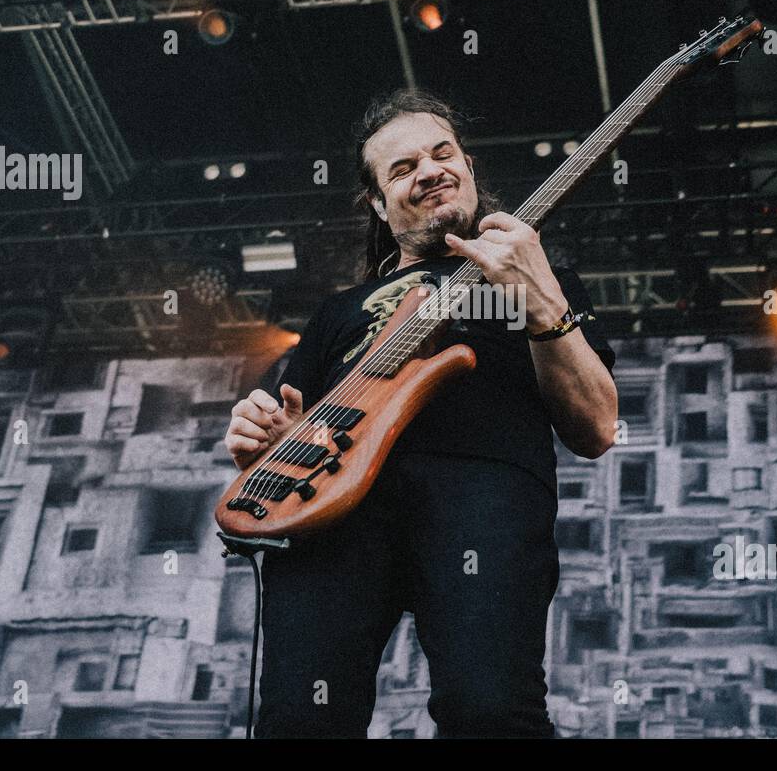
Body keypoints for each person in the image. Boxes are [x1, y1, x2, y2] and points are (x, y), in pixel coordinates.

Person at [225, 89, 618, 738]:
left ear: (468, 169)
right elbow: (294, 426)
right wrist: (265, 441)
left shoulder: (529, 272)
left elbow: (598, 426)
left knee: (489, 709)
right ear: (378, 204)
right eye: (403, 168)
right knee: (299, 720)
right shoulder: (336, 311)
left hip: (483, 488)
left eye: (444, 154)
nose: (431, 170)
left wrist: (542, 301)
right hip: (333, 508)